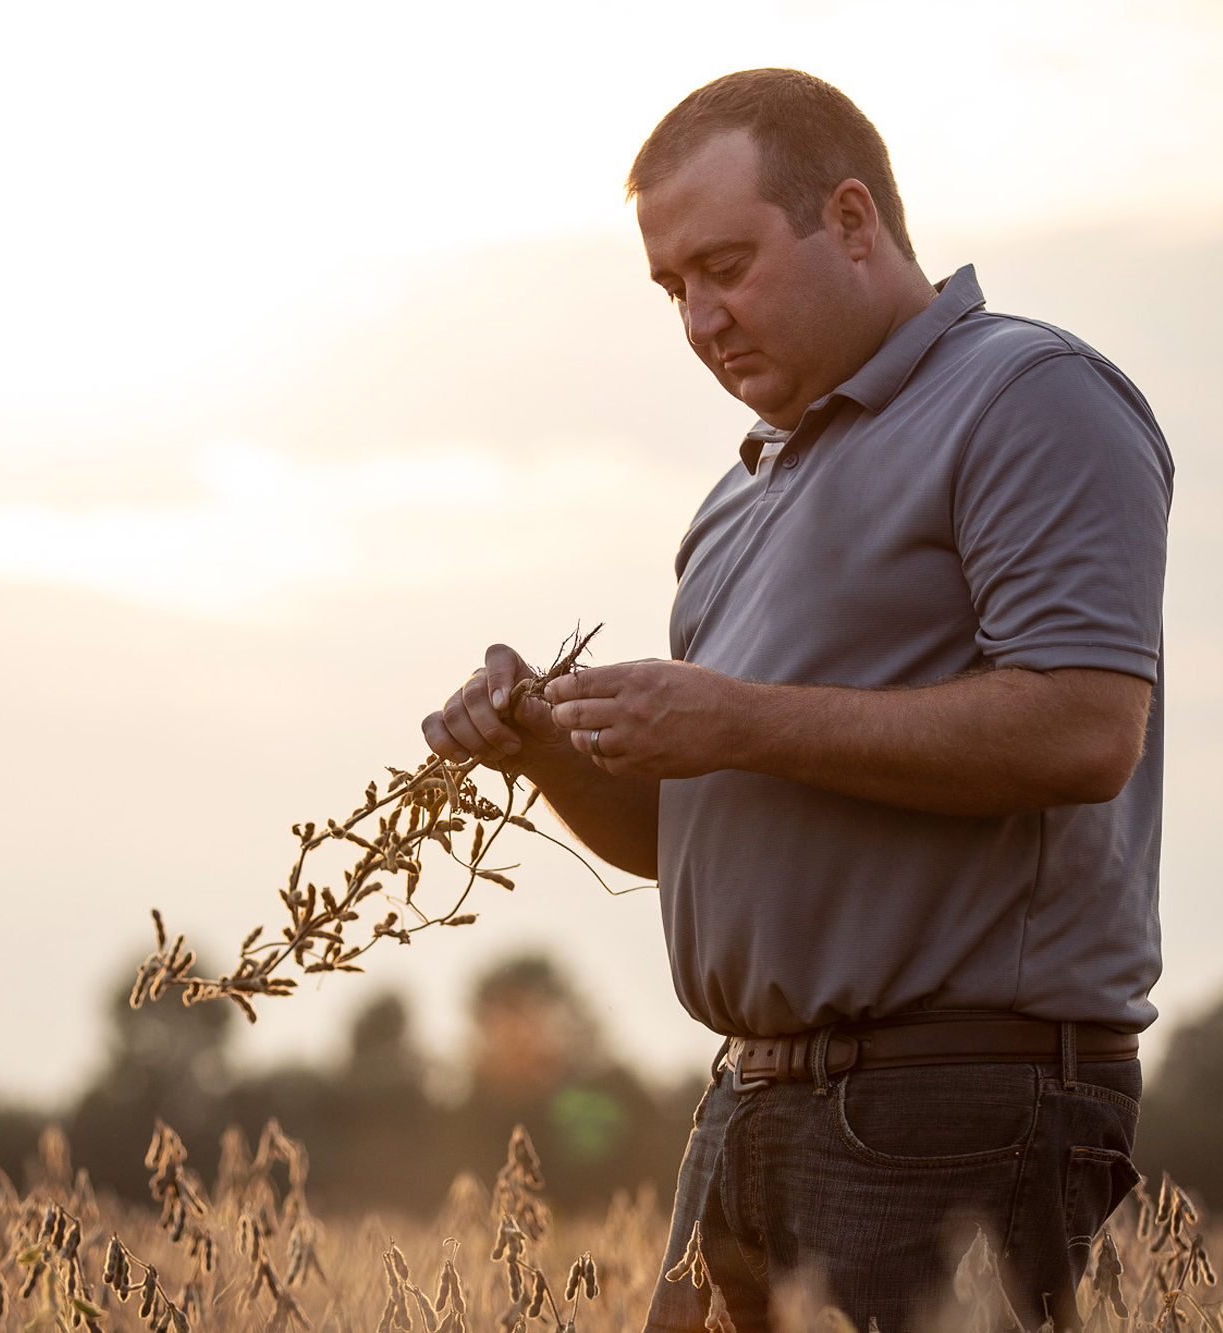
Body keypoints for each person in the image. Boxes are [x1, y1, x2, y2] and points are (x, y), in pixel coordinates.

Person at [421, 69, 1170, 1333]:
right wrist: (547, 753)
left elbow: (1083, 726)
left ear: (851, 219)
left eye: (725, 265)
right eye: (672, 288)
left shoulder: (1024, 395)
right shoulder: (734, 501)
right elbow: (698, 838)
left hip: (951, 1109)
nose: (700, 319)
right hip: (749, 1111)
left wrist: (735, 717)